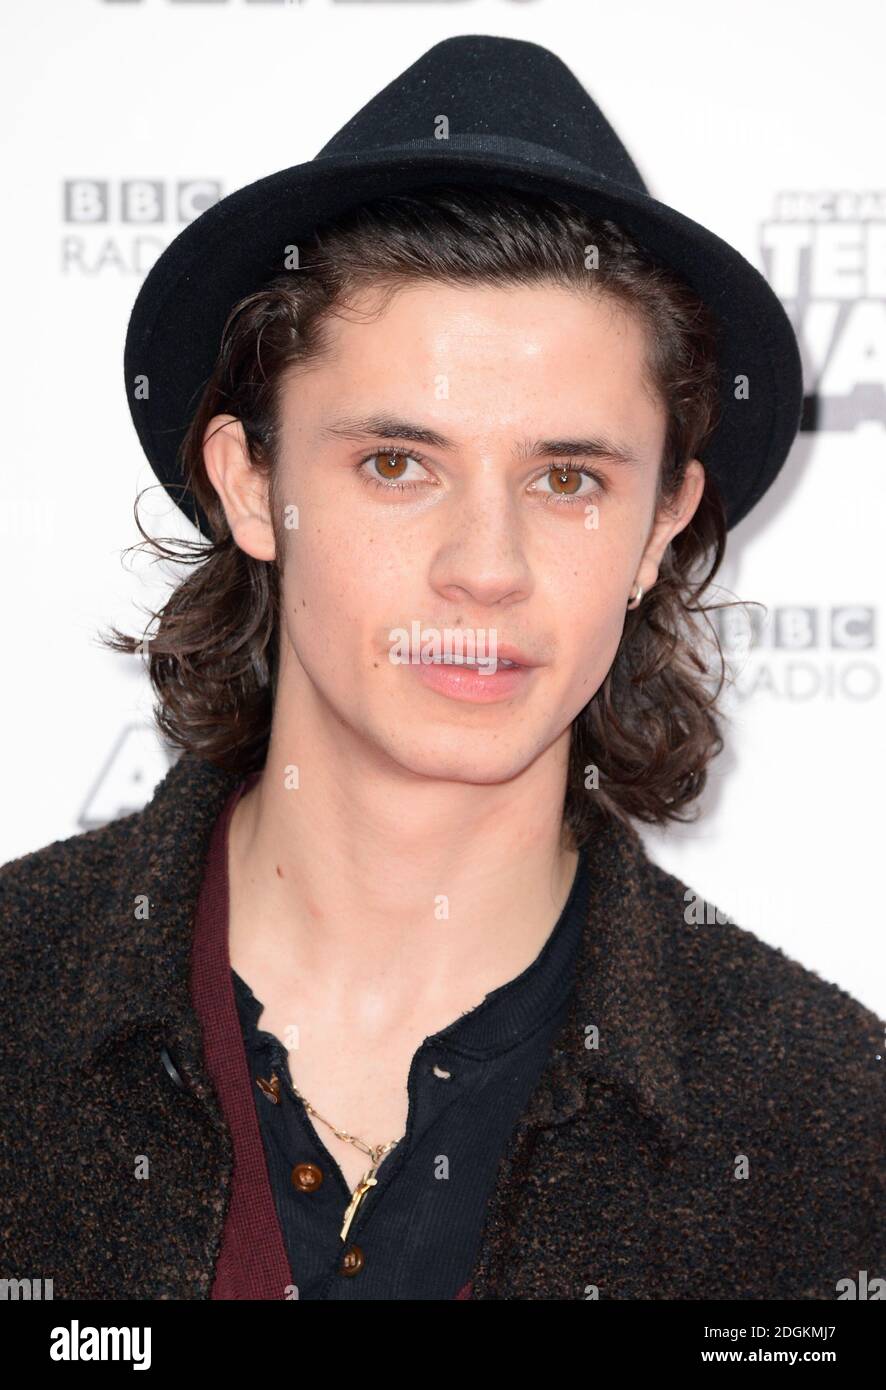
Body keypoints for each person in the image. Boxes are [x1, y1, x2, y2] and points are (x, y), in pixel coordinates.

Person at [0, 35, 882, 1302]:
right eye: (396, 465)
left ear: (660, 528)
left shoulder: (829, 1129)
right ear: (250, 485)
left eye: (567, 479)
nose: (486, 566)